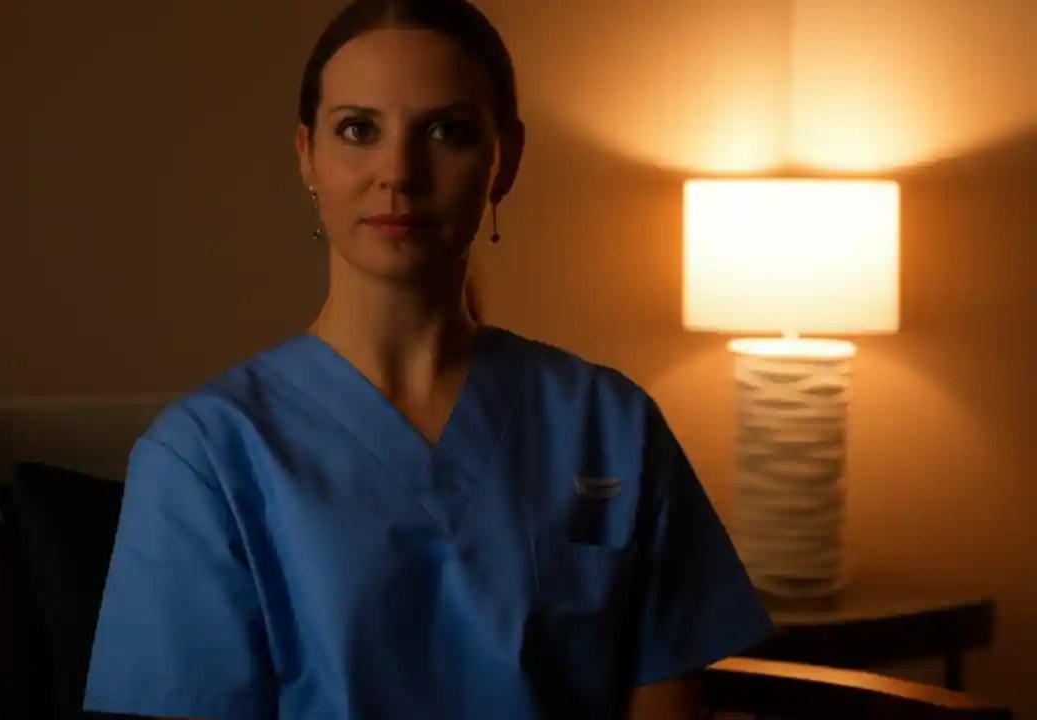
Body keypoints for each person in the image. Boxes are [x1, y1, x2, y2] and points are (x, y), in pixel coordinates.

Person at [84, 1, 773, 718]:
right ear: (307, 156)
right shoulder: (207, 455)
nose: (399, 171)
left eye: (447, 131)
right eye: (358, 130)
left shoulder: (610, 423)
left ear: (504, 160)